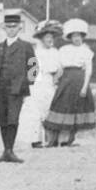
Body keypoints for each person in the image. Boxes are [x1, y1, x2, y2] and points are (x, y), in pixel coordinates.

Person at [0, 10, 33, 162]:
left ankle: (10, 150)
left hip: (16, 89)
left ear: (19, 28)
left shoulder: (26, 46)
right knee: (2, 120)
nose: (11, 29)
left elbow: (33, 68)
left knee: (13, 119)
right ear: (4, 29)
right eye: (8, 27)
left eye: (14, 26)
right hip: (0, 89)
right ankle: (5, 151)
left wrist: (26, 84)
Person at [43, 18, 96, 146]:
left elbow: (88, 70)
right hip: (66, 81)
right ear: (70, 38)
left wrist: (84, 87)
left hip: (79, 80)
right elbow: (60, 67)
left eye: (79, 36)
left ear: (82, 37)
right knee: (59, 106)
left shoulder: (87, 51)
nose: (76, 38)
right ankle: (53, 139)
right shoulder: (64, 49)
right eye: (74, 36)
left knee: (75, 109)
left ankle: (69, 139)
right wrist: (56, 80)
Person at [19, 20, 63, 148]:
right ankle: (35, 139)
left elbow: (60, 69)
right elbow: (32, 73)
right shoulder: (35, 52)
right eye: (47, 37)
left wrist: (56, 78)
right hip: (37, 83)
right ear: (42, 38)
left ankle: (51, 139)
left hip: (50, 82)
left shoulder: (55, 52)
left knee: (49, 109)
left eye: (51, 37)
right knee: (35, 111)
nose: (50, 40)